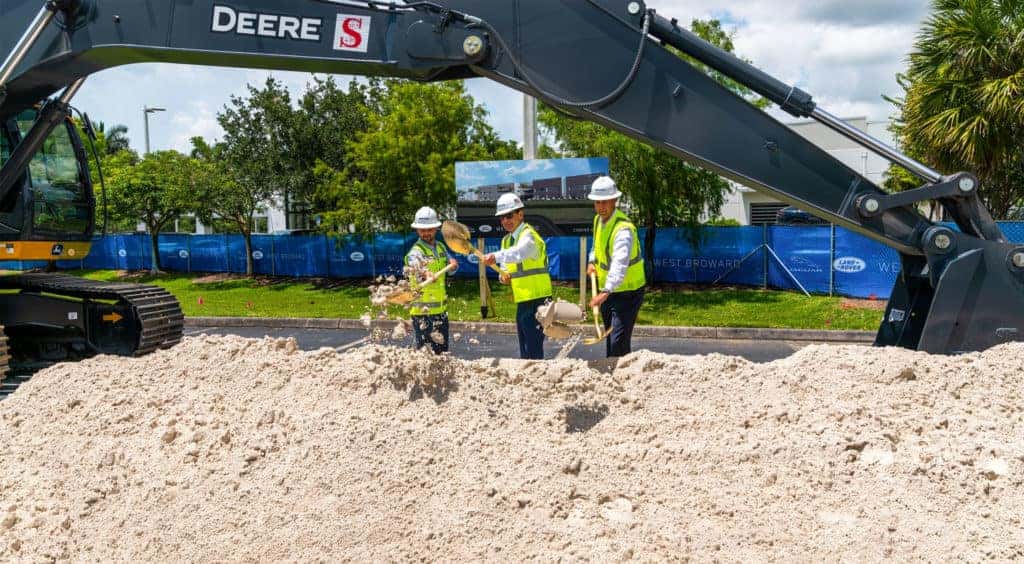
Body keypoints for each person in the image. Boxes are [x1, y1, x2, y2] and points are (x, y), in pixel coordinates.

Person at [483, 193, 552, 359]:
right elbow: (505, 269)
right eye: (502, 218)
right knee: (525, 348)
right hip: (523, 301)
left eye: (509, 216)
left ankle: (536, 381)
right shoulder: (506, 241)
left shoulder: (529, 235)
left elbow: (521, 252)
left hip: (538, 299)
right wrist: (503, 277)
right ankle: (529, 380)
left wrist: (496, 256)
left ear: (520, 214)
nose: (505, 221)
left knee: (534, 349)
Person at [586, 176, 646, 357]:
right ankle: (618, 370)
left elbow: (619, 265)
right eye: (597, 202)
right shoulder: (598, 220)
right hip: (609, 292)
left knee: (617, 341)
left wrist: (604, 292)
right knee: (613, 340)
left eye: (605, 202)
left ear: (614, 200)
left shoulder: (623, 230)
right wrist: (591, 260)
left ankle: (618, 377)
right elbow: (596, 245)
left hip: (628, 293)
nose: (601, 206)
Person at [405, 206, 458, 354]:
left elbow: (451, 267)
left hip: (440, 311)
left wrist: (453, 265)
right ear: (417, 230)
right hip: (422, 313)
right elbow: (414, 264)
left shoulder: (441, 247)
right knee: (426, 355)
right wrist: (425, 272)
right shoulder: (416, 251)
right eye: (422, 230)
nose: (426, 233)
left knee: (442, 351)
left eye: (429, 229)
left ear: (436, 229)